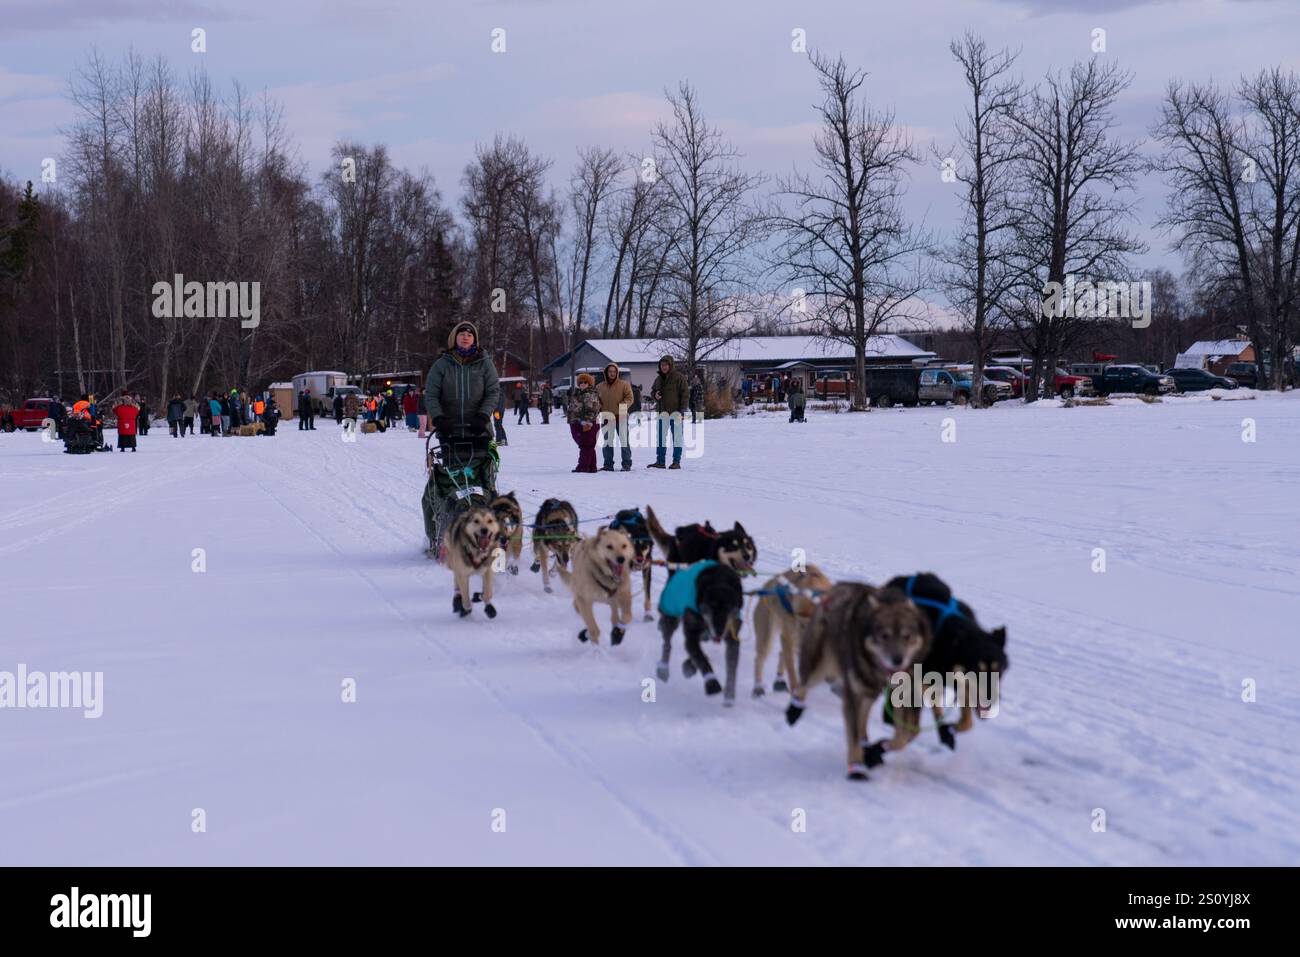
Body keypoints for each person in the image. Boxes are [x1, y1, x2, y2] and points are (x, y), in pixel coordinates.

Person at [422, 320, 501, 552]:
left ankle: (490, 532)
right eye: (461, 334)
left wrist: (483, 415)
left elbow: (493, 391)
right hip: (450, 432)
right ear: (454, 339)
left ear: (475, 339)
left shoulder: (485, 363)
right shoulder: (442, 365)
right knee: (450, 482)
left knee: (483, 481)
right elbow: (432, 394)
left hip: (479, 431)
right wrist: (439, 418)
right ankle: (443, 534)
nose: (466, 337)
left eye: (470, 334)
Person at [648, 355, 687, 470]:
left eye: (666, 365)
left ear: (670, 365)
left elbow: (685, 394)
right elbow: (653, 391)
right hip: (662, 413)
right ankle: (660, 461)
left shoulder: (679, 377)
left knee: (677, 438)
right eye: (662, 365)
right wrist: (655, 395)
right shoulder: (658, 379)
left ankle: (676, 461)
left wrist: (683, 410)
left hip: (676, 413)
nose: (663, 367)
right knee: (660, 438)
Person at [596, 361, 634, 472]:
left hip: (620, 417)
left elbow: (629, 398)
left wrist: (621, 409)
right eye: (610, 371)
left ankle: (626, 464)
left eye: (614, 371)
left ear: (617, 373)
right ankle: (608, 464)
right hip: (607, 418)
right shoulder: (600, 386)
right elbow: (596, 401)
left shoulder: (624, 384)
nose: (612, 373)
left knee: (624, 441)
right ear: (606, 373)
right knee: (607, 442)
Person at [567, 372, 602, 473]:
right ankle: (591, 466)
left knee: (586, 446)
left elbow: (592, 409)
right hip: (577, 422)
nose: (583, 384)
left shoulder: (590, 394)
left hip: (586, 423)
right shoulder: (579, 393)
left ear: (589, 384)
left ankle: (583, 467)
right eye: (581, 382)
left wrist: (587, 422)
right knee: (588, 446)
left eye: (585, 382)